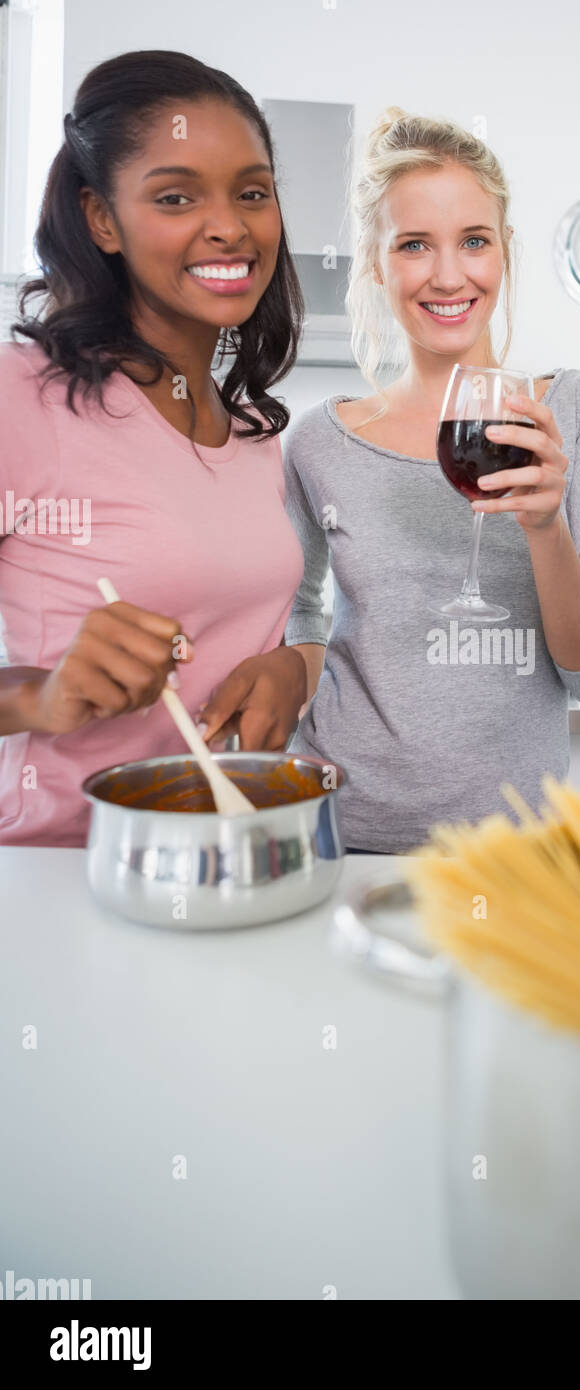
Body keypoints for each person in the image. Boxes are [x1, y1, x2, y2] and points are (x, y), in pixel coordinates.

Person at [202, 109, 580, 852]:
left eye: (473, 241)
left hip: (515, 850)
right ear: (374, 260)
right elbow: (304, 616)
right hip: (339, 828)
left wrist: (543, 526)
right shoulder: (320, 442)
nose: (448, 275)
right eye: (413, 245)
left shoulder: (575, 411)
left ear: (504, 252)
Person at [0, 50, 308, 846]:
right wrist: (39, 697)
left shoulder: (252, 433)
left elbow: (239, 630)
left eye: (252, 192)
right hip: (65, 876)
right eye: (176, 196)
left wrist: (286, 668)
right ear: (102, 219)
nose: (229, 226)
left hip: (229, 857)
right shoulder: (21, 396)